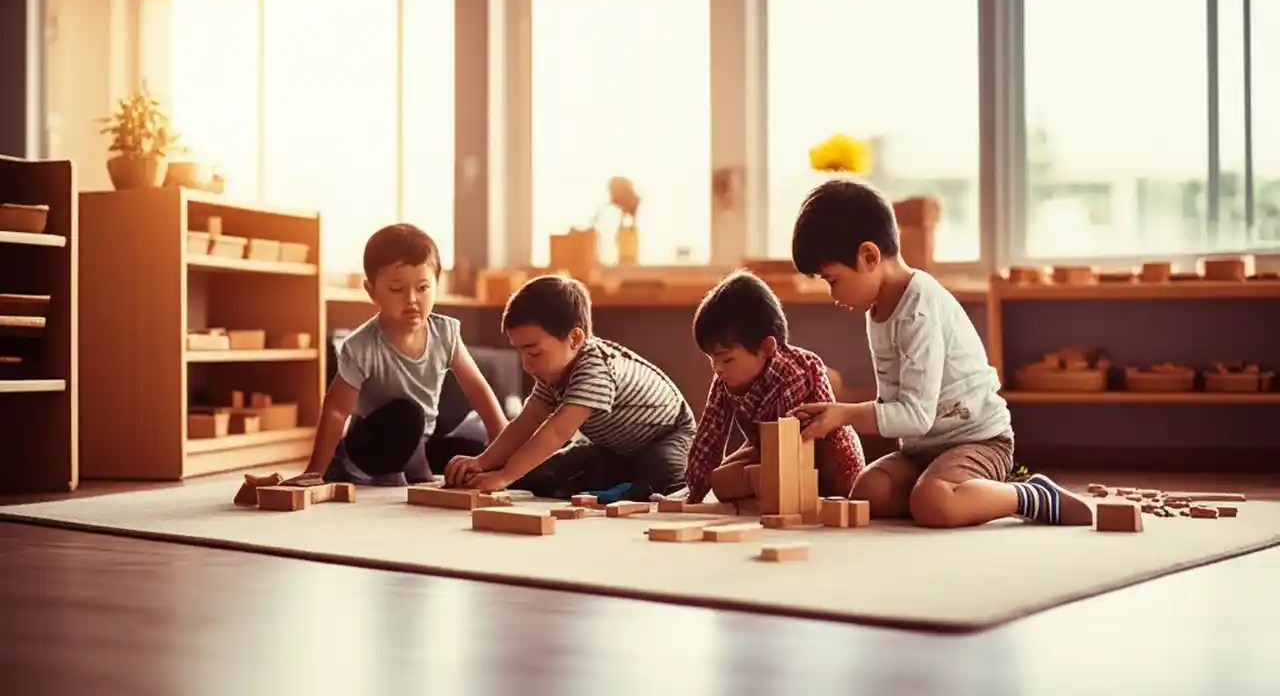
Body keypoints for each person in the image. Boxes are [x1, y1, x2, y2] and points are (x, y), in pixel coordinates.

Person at [788, 179, 1092, 527]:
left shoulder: (919, 308)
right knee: (869, 491)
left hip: (978, 441)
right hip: (922, 449)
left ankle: (1030, 494)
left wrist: (844, 414)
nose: (833, 295)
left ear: (869, 256)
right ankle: (956, 494)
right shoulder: (878, 313)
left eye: (833, 280)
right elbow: (896, 408)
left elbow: (915, 417)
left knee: (933, 502)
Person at [444, 274, 694, 502]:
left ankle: (635, 489)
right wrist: (483, 462)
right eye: (520, 351)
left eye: (534, 352)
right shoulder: (551, 374)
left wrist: (504, 477)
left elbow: (557, 432)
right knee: (539, 474)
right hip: (613, 449)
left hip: (667, 436)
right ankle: (626, 485)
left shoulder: (596, 369)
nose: (526, 365)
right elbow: (526, 421)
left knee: (663, 475)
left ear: (575, 339)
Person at [296, 224, 508, 486]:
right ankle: (397, 471)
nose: (411, 300)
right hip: (374, 446)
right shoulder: (361, 346)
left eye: (422, 288)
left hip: (423, 441)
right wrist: (314, 473)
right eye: (397, 289)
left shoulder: (445, 333)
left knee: (471, 453)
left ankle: (418, 464)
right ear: (372, 291)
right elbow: (336, 411)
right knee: (408, 414)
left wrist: (501, 442)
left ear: (437, 285)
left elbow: (478, 389)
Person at [677, 270, 864, 504]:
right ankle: (761, 487)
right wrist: (693, 495)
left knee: (768, 472)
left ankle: (770, 490)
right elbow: (709, 437)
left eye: (726, 359)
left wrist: (758, 469)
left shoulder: (794, 371)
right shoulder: (724, 379)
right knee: (720, 480)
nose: (717, 369)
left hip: (820, 457)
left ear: (766, 348)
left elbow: (788, 441)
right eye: (712, 359)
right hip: (769, 452)